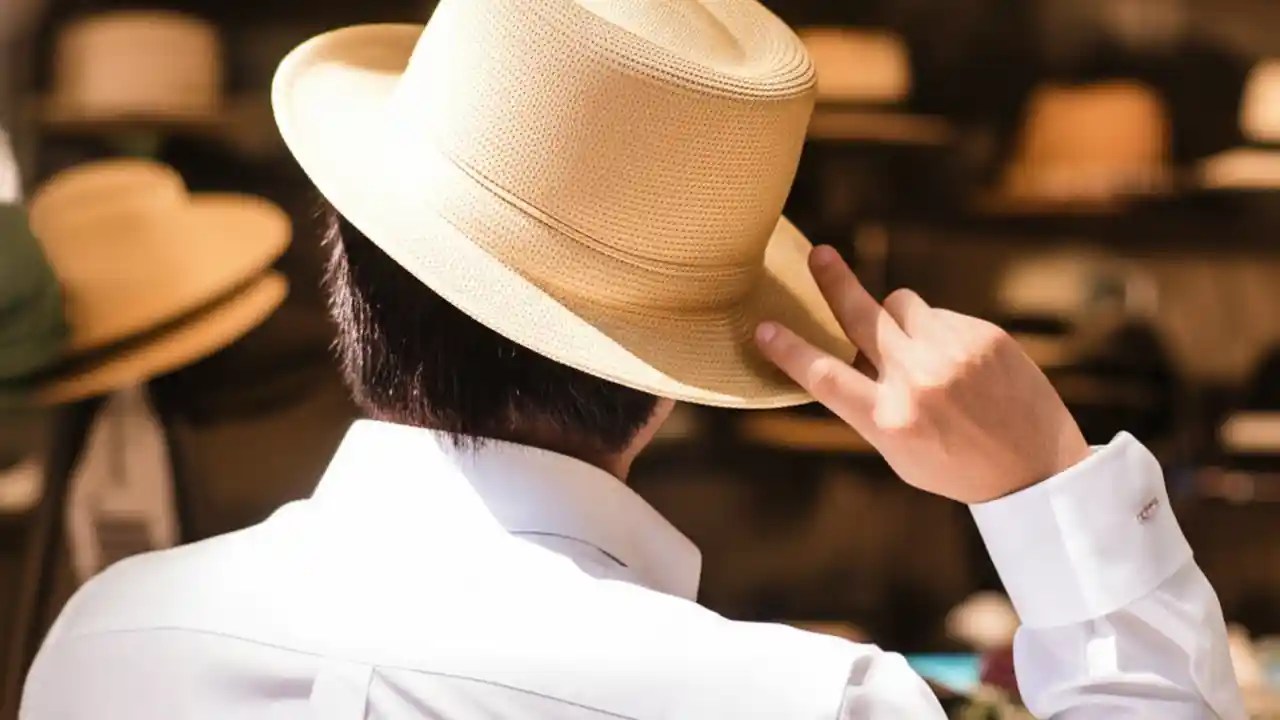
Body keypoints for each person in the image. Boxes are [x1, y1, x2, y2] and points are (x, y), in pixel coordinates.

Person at [23, 1, 1244, 718]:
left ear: (343, 249)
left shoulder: (109, 642)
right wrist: (1046, 484)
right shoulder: (804, 708)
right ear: (673, 372)